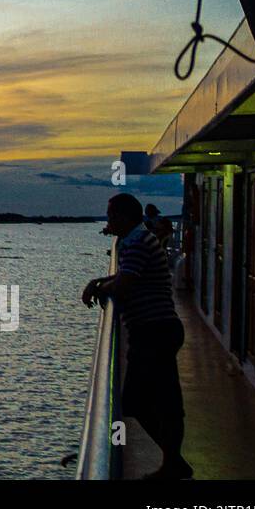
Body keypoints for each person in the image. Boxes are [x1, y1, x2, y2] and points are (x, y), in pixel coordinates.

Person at [82, 193, 192, 479]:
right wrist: (98, 283)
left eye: (111, 216)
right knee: (160, 400)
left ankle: (173, 461)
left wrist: (98, 288)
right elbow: (122, 279)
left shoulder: (138, 244)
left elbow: (123, 285)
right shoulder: (137, 241)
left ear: (123, 217)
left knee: (142, 401)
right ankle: (173, 461)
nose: (108, 222)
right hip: (155, 330)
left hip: (154, 332)